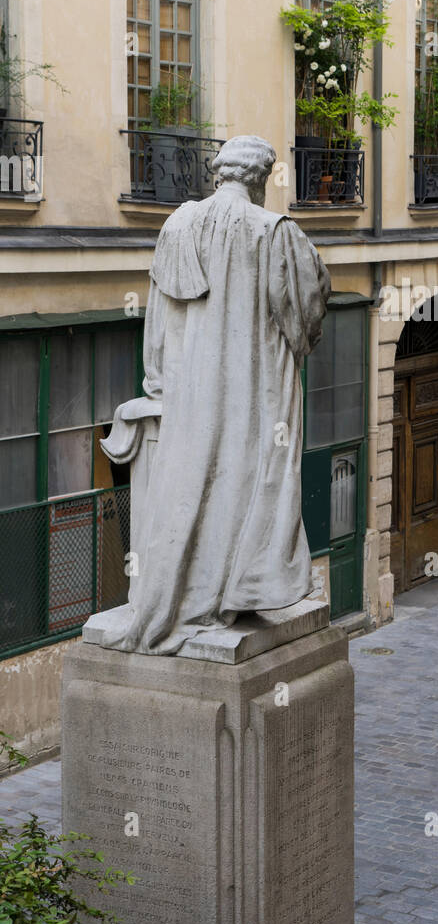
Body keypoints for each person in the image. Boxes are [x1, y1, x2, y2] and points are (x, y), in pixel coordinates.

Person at [98, 134, 331, 655]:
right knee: (248, 486)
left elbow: (156, 325)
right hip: (255, 396)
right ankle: (233, 589)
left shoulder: (178, 225)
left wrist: (160, 383)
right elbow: (305, 316)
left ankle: (187, 595)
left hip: (189, 396)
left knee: (196, 485)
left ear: (220, 174)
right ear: (262, 179)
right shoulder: (274, 232)